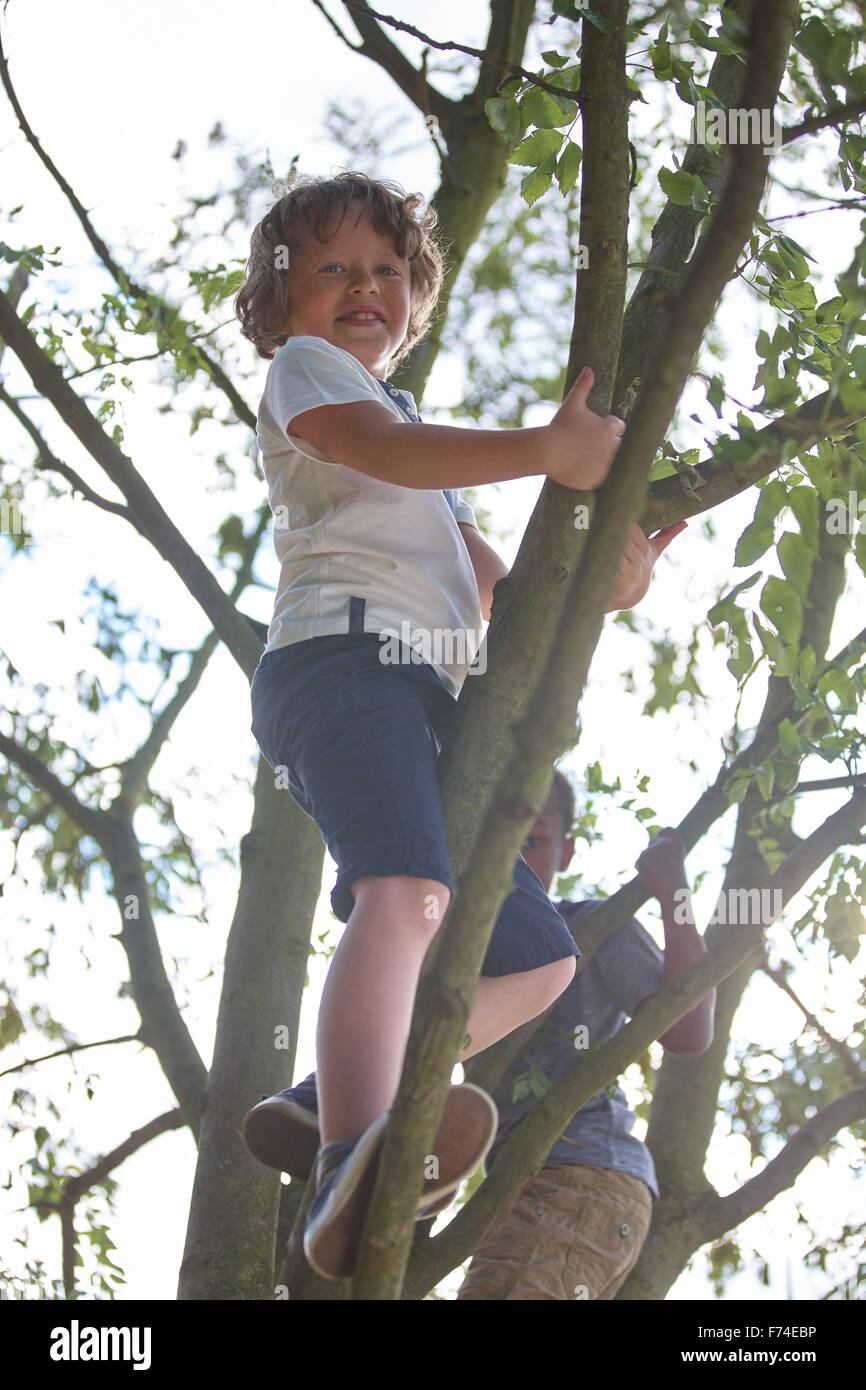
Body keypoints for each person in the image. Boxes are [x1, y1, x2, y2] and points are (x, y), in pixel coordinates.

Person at [235, 171, 681, 1279]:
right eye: (331, 266)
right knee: (407, 892)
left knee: (536, 958)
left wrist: (604, 580)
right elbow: (376, 450)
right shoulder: (313, 378)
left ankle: (341, 1088)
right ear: (280, 296)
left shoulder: (436, 472)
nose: (364, 287)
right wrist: (543, 448)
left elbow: (502, 587)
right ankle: (350, 1155)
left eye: (387, 270)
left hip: (434, 701)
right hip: (343, 665)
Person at [456, 770, 716, 1300]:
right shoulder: (448, 957)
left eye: (533, 841)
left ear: (566, 852)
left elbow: (688, 1030)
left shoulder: (590, 928)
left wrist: (674, 892)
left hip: (578, 1177)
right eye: (494, 838)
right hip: (525, 1190)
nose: (512, 858)